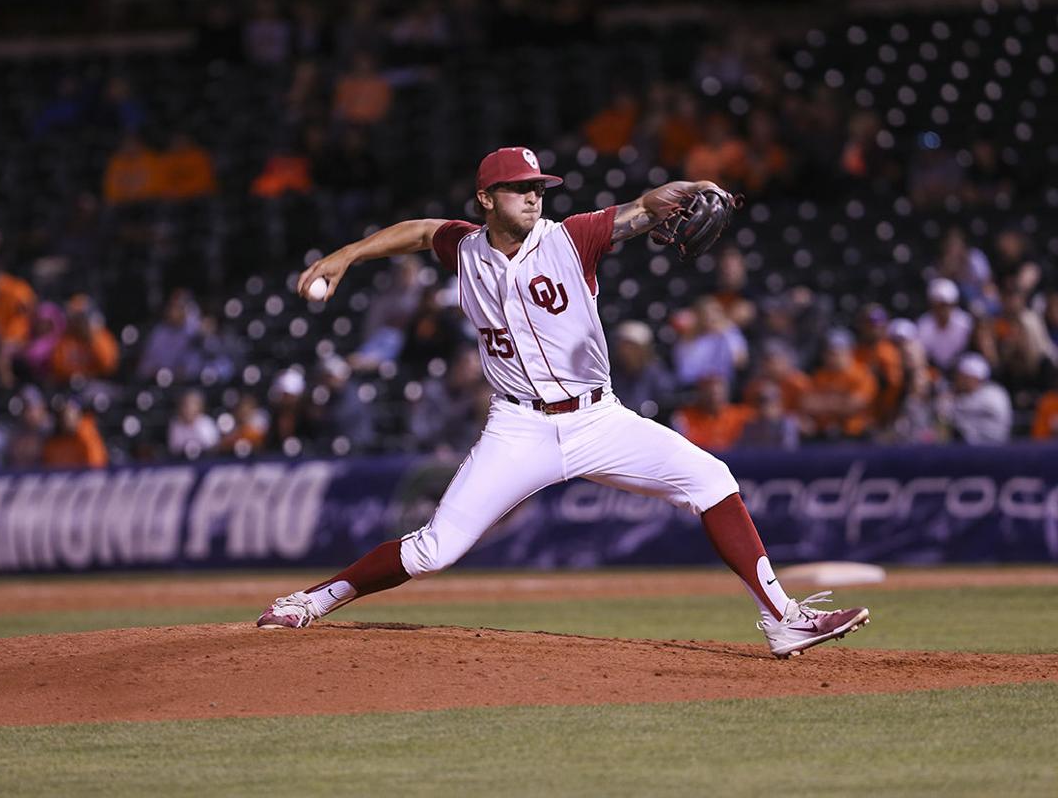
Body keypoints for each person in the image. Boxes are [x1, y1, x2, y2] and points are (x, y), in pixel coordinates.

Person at [258, 146, 869, 659]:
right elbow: (418, 231)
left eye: (538, 187)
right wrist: (344, 256)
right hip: (518, 428)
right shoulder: (464, 248)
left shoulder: (573, 238)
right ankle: (311, 600)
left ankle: (783, 617)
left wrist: (682, 188)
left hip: (599, 418)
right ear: (486, 200)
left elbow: (641, 210)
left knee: (712, 477)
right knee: (433, 550)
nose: (533, 196)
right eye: (518, 188)